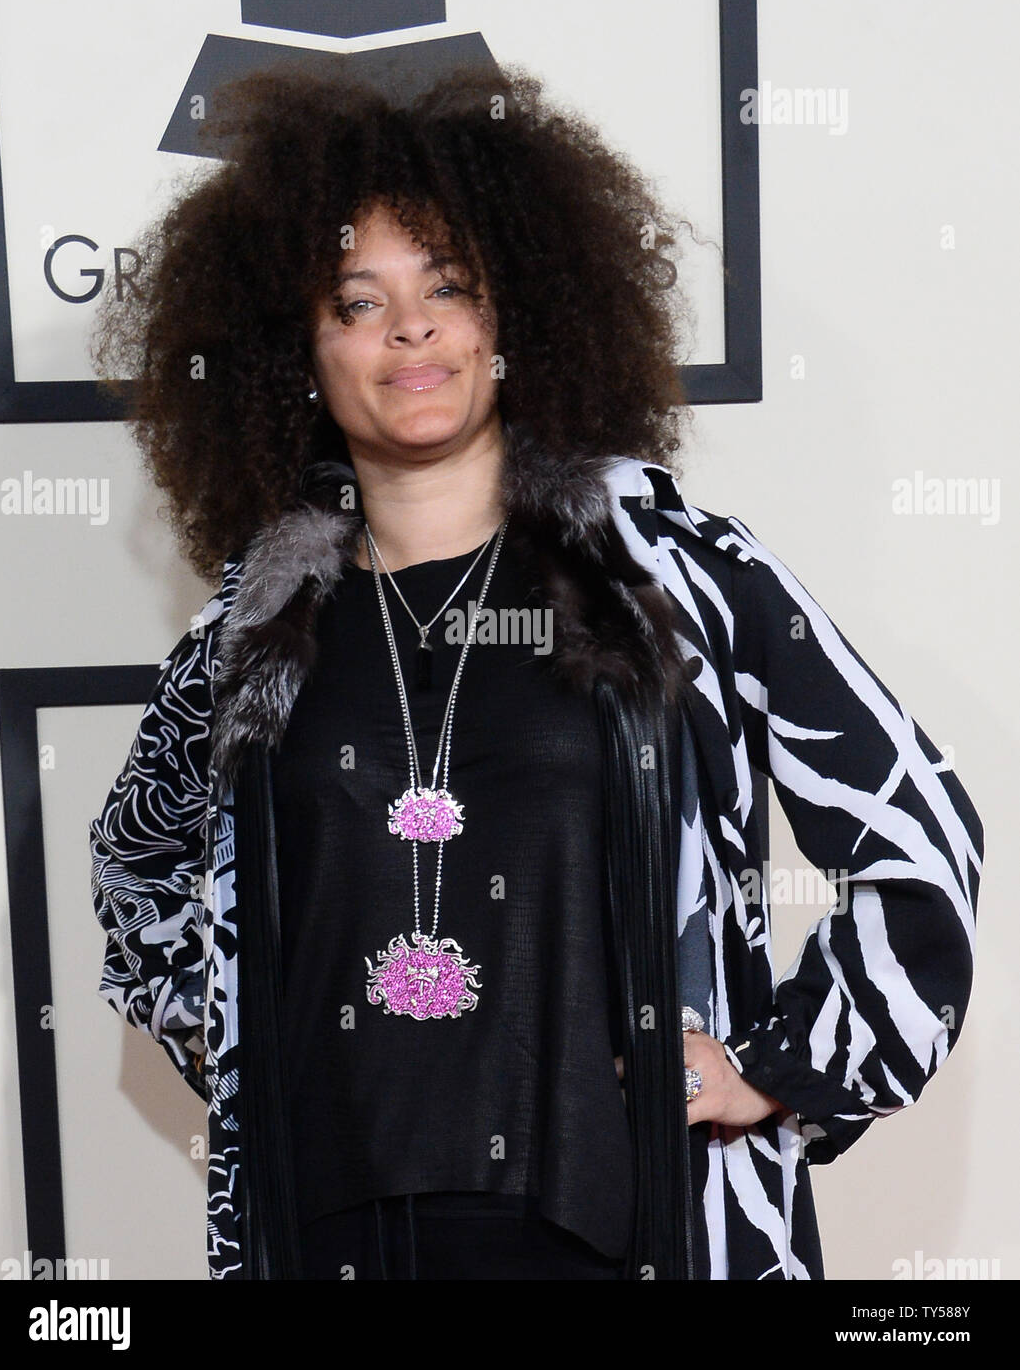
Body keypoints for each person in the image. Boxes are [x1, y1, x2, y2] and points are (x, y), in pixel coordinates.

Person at [87, 62, 982, 1281]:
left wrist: (775, 1065)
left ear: (516, 317)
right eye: (356, 302)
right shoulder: (252, 626)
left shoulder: (676, 580)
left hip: (623, 1233)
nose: (411, 329)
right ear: (295, 354)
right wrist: (251, 1047)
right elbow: (136, 871)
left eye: (448, 287)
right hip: (325, 1241)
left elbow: (923, 834)